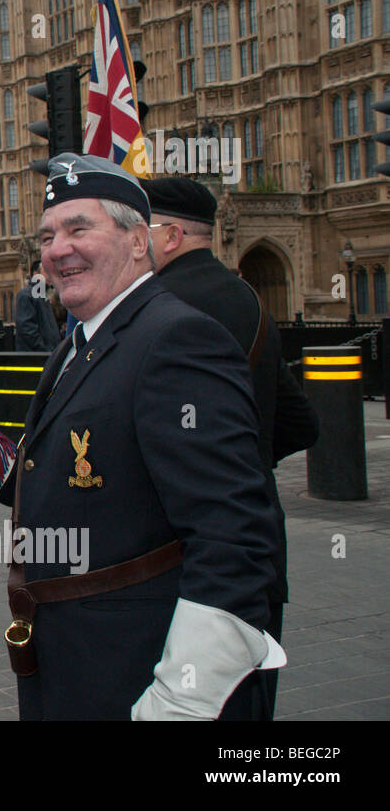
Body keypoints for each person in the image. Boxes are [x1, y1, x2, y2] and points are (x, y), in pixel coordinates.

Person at [0, 152, 284, 720]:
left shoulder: (176, 340)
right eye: (49, 234)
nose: (58, 249)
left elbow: (234, 539)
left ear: (137, 242)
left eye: (81, 228)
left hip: (141, 674)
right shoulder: (80, 343)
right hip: (77, 664)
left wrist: (181, 699)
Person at [145, 176, 318, 718]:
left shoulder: (156, 309)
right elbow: (300, 422)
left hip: (185, 569)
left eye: (137, 229)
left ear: (170, 235)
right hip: (261, 558)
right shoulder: (249, 297)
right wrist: (247, 461)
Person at [14, 259, 62, 351]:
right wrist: (45, 349)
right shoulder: (26, 295)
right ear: (36, 274)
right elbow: (27, 328)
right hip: (35, 357)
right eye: (46, 271)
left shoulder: (44, 295)